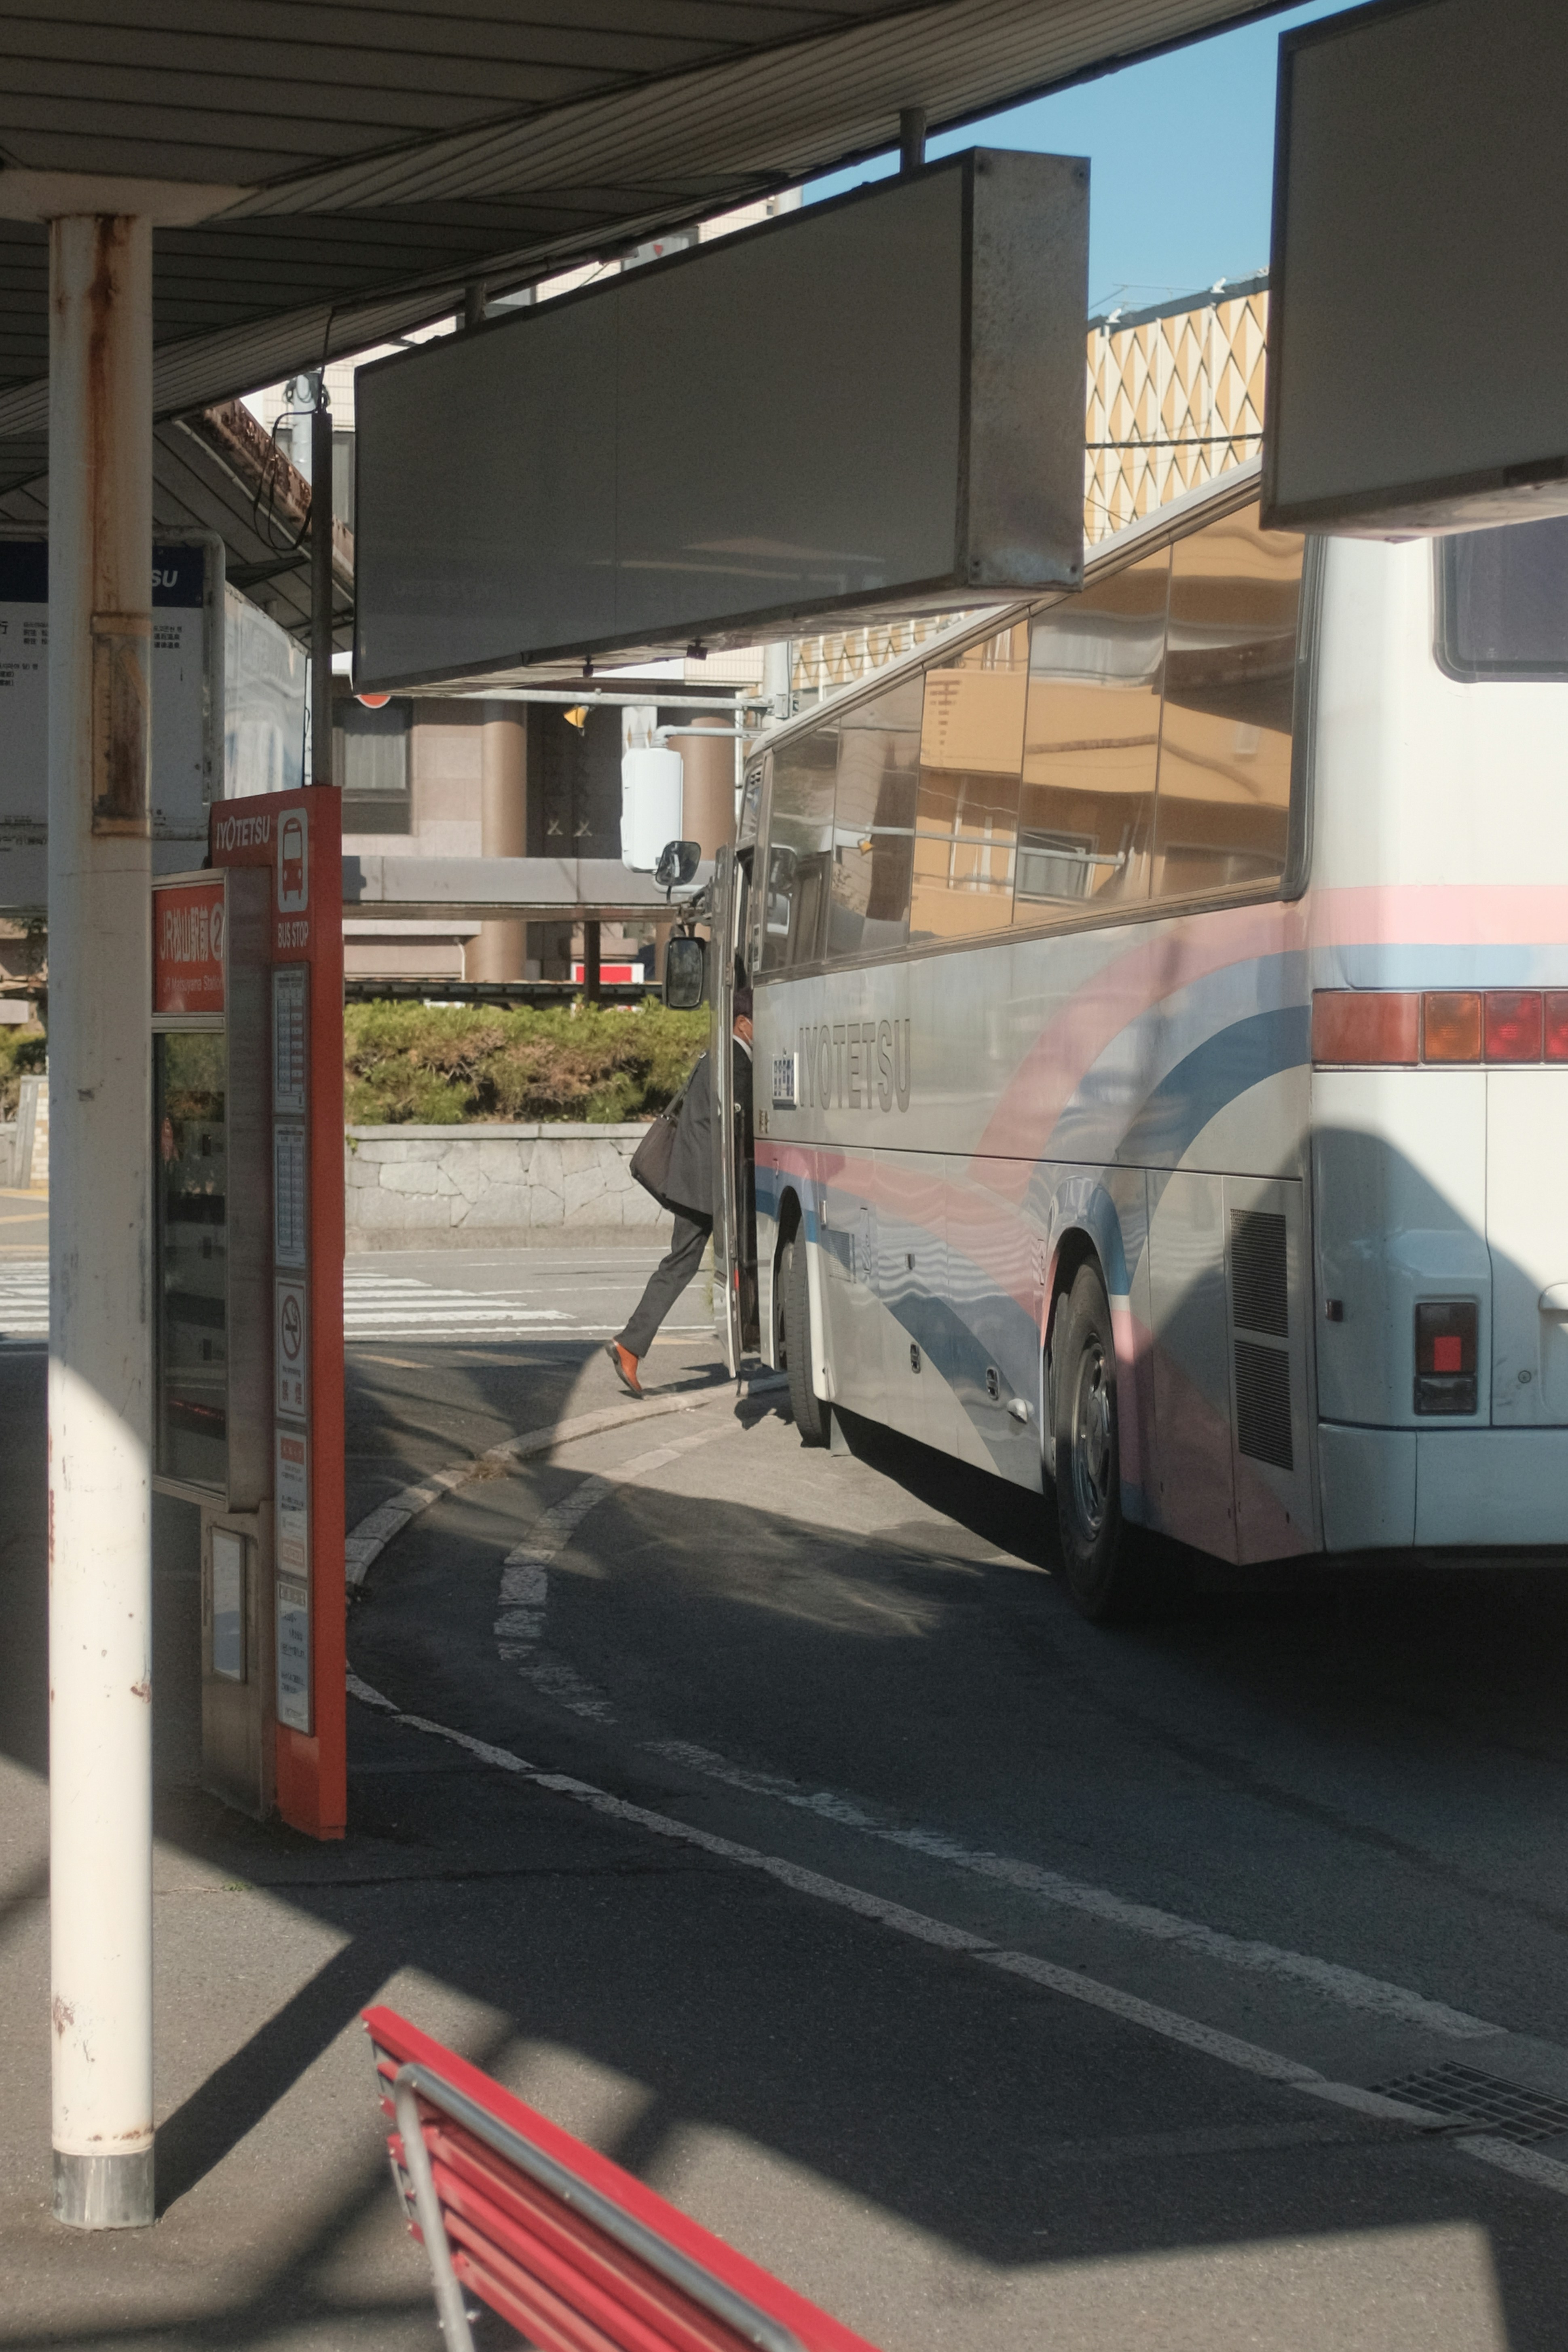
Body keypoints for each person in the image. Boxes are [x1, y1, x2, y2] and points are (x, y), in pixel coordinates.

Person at [606, 996, 752, 1396]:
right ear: (742, 1023)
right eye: (759, 1023)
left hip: (695, 1182)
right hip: (710, 1188)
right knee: (691, 1264)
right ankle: (628, 1345)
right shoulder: (736, 1063)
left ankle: (630, 1346)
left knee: (678, 1265)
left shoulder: (714, 1055)